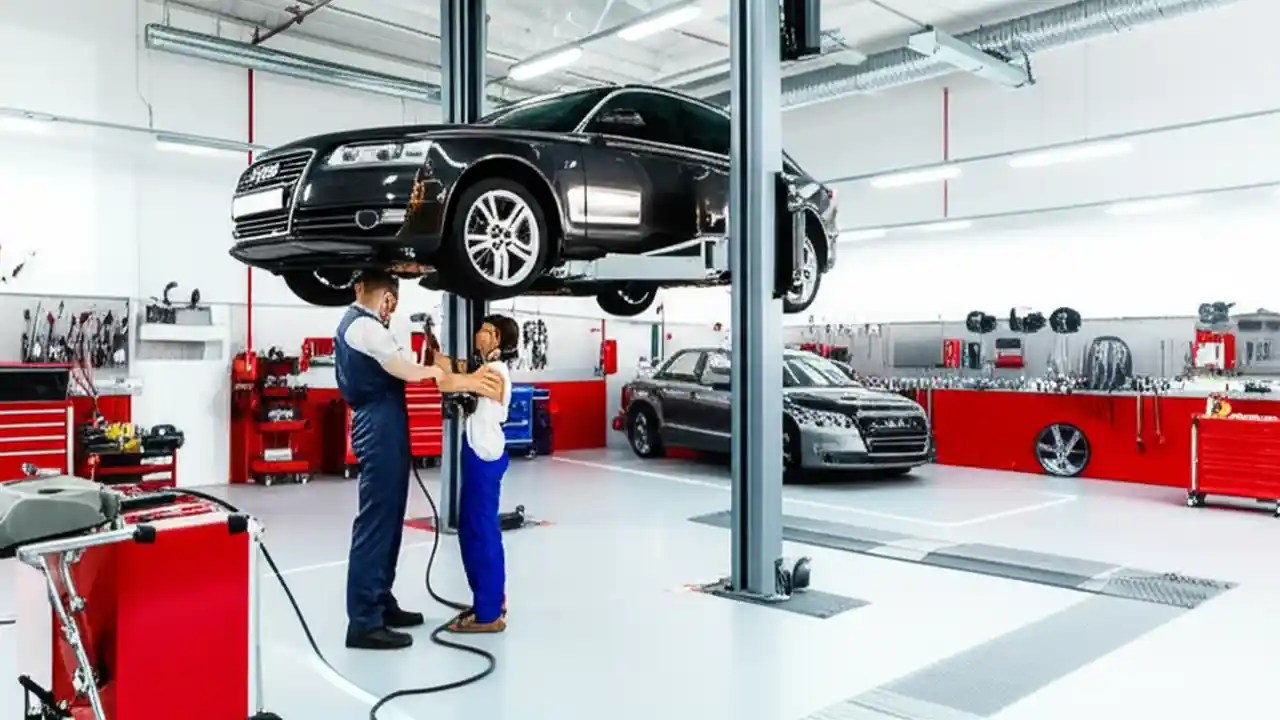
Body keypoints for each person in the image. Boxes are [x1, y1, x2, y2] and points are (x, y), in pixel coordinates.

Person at [334, 270, 502, 650]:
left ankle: (381, 602)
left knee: (391, 518)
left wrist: (434, 357)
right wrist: (444, 374)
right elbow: (405, 371)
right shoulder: (364, 326)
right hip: (378, 425)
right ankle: (363, 621)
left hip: (384, 421)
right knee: (377, 522)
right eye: (391, 298)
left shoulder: (367, 326)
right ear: (382, 296)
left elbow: (402, 361)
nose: (391, 306)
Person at [432, 314, 519, 633]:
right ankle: (488, 601)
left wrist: (435, 370)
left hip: (484, 455)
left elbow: (449, 381)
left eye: (483, 331)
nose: (476, 334)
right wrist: (434, 350)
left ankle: (489, 614)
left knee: (481, 532)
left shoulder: (495, 372)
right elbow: (453, 366)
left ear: (496, 337)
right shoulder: (485, 367)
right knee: (472, 530)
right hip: (477, 452)